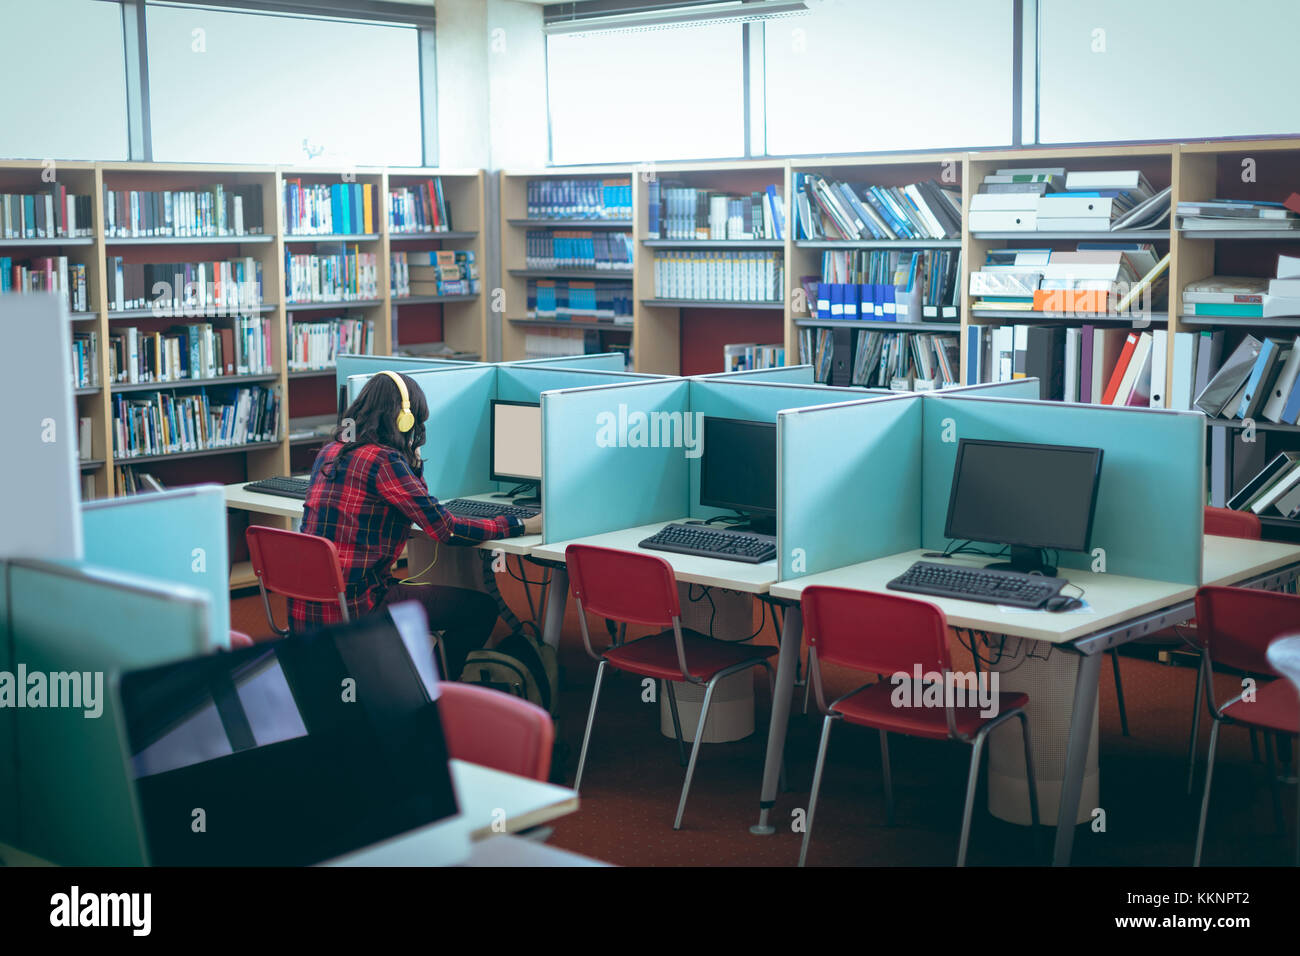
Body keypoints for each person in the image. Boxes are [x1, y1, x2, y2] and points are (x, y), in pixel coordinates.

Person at [289, 370, 542, 678]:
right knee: (480, 609)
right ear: (404, 420)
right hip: (360, 607)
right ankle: (430, 689)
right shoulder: (385, 462)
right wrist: (519, 525)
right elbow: (446, 529)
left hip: (307, 609)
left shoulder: (330, 452)